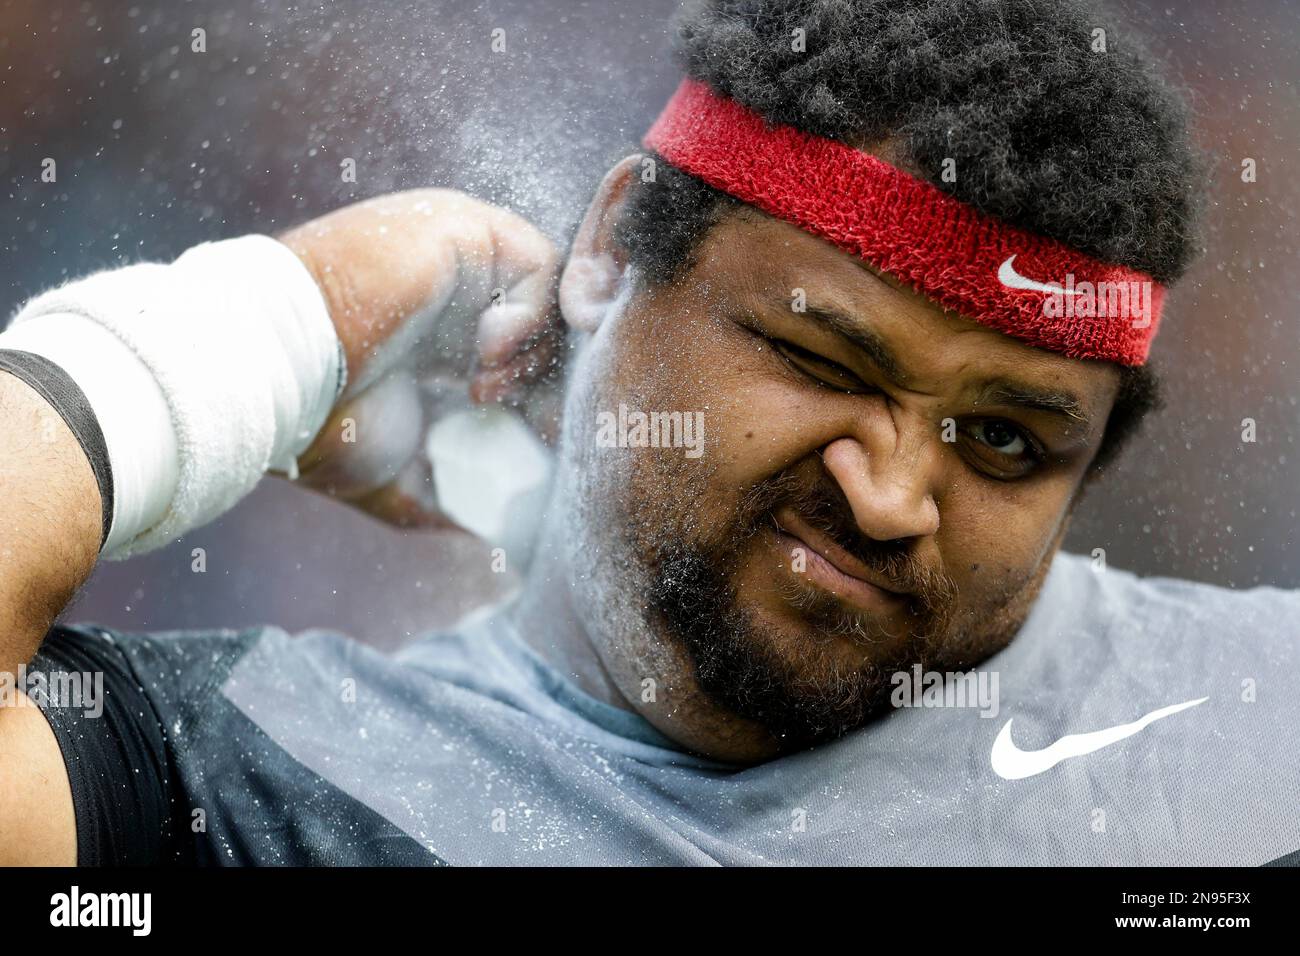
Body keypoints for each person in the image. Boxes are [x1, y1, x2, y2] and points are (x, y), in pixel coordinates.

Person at [0, 0, 1296, 866]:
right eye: (815, 355)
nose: (895, 495)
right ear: (613, 248)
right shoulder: (264, 775)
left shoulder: (1247, 741)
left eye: (1005, 443)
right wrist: (279, 323)